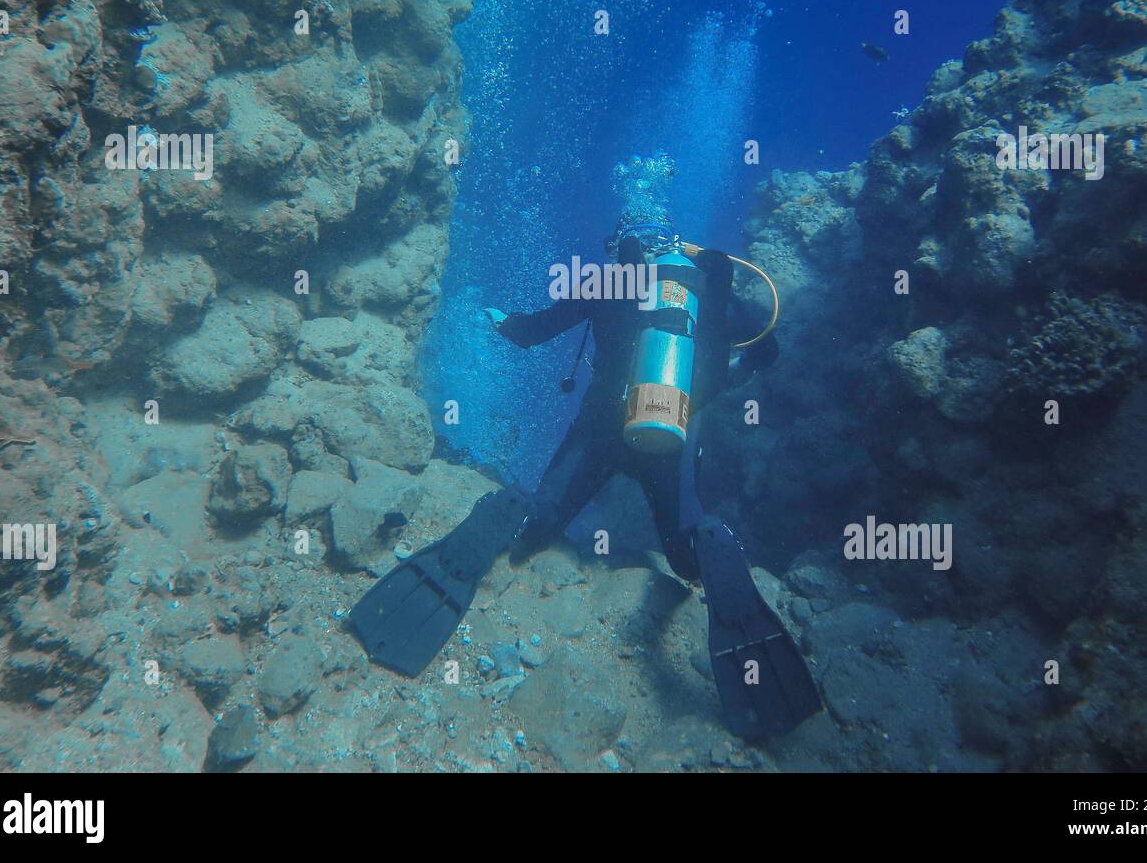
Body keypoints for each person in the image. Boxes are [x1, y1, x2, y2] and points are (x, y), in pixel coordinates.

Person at [350, 188, 822, 741]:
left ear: (620, 242)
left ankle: (507, 515)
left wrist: (494, 314)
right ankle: (712, 547)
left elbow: (529, 333)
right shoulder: (702, 286)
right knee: (686, 555)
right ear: (670, 238)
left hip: (599, 433)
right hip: (667, 437)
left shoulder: (606, 280)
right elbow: (760, 356)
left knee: (539, 525)